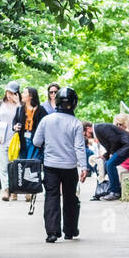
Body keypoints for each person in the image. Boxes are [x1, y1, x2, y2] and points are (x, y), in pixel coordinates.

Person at [32, 86, 88, 243]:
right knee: (70, 198)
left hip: (50, 166)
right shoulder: (76, 123)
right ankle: (70, 231)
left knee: (51, 196)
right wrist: (84, 167)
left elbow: (36, 141)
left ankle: (52, 232)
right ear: (74, 103)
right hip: (69, 167)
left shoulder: (46, 120)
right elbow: (79, 147)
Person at [90, 119, 129, 199]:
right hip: (125, 145)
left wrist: (111, 153)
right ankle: (108, 190)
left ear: (88, 128)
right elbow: (111, 143)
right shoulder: (99, 129)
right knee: (107, 164)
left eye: (85, 134)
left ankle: (115, 192)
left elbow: (114, 140)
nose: (87, 137)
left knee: (110, 164)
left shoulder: (100, 128)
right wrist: (105, 155)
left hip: (127, 145)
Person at [0, 83, 21, 199]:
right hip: (1, 139)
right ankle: (6, 190)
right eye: (8, 92)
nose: (10, 95)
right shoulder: (0, 104)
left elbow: (22, 118)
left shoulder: (20, 105)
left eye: (12, 93)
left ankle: (14, 191)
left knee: (14, 166)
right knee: (3, 166)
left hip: (14, 140)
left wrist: (18, 103)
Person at [11, 87, 48, 159]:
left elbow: (46, 125)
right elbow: (15, 121)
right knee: (22, 165)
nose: (22, 94)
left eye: (24, 93)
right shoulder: (20, 109)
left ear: (30, 96)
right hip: (22, 141)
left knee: (32, 165)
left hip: (35, 142)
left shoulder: (41, 110)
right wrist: (14, 126)